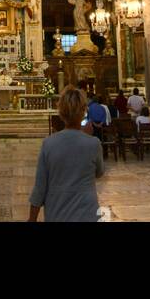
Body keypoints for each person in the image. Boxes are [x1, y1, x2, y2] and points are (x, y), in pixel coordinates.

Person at [28, 87, 104, 223]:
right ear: (84, 111)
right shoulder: (93, 143)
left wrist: (32, 219)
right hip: (87, 213)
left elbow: (40, 187)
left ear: (61, 112)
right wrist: (86, 137)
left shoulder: (49, 144)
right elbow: (99, 172)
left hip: (57, 212)